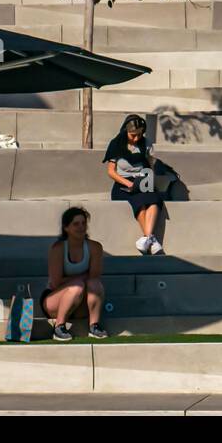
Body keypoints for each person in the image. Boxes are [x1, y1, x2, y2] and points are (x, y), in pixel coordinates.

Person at [41, 206, 108, 340]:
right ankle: (59, 327)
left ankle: (94, 326)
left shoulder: (95, 247)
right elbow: (55, 283)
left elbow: (94, 276)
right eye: (76, 224)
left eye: (83, 223)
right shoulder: (58, 248)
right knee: (77, 286)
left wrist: (75, 280)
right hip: (54, 300)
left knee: (95, 284)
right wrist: (79, 280)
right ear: (66, 228)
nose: (81, 227)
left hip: (80, 303)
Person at [104, 114, 166, 255]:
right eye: (133, 135)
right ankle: (153, 241)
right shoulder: (116, 144)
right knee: (140, 204)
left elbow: (150, 165)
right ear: (126, 131)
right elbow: (111, 172)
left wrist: (149, 180)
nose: (136, 138)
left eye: (139, 135)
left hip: (142, 180)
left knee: (154, 200)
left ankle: (148, 238)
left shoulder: (146, 143)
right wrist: (128, 183)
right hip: (123, 183)